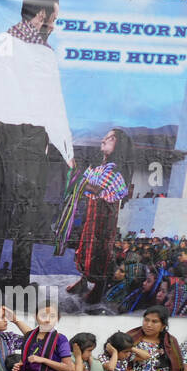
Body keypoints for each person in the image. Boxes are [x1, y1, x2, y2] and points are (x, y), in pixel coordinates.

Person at [0, 0, 72, 295]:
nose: (54, 26)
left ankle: (4, 280)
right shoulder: (19, 50)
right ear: (41, 17)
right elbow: (52, 106)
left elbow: (52, 105)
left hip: (17, 135)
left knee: (10, 212)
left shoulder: (18, 49)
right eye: (53, 19)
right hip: (17, 135)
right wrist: (67, 151)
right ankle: (3, 281)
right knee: (10, 212)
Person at [60, 128, 133, 306]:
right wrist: (77, 173)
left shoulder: (114, 170)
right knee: (85, 247)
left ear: (119, 145)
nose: (103, 140)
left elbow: (96, 189)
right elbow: (85, 183)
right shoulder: (99, 167)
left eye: (110, 138)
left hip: (104, 217)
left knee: (100, 250)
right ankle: (84, 281)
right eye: (105, 136)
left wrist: (76, 172)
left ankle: (99, 286)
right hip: (92, 213)